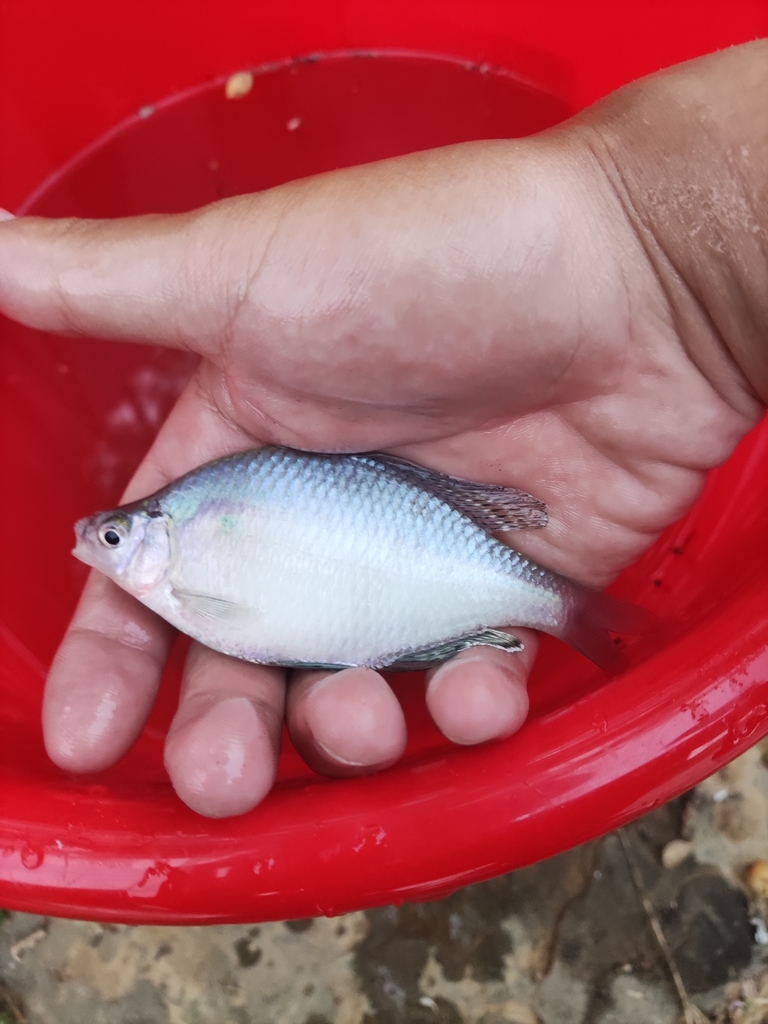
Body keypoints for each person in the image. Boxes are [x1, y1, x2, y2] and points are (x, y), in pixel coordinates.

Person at [0, 41, 765, 819]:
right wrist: (663, 261)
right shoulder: (191, 535)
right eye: (114, 535)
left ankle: (562, 610)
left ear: (162, 530)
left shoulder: (189, 545)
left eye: (119, 537)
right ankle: (565, 612)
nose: (102, 538)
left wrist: (658, 261)